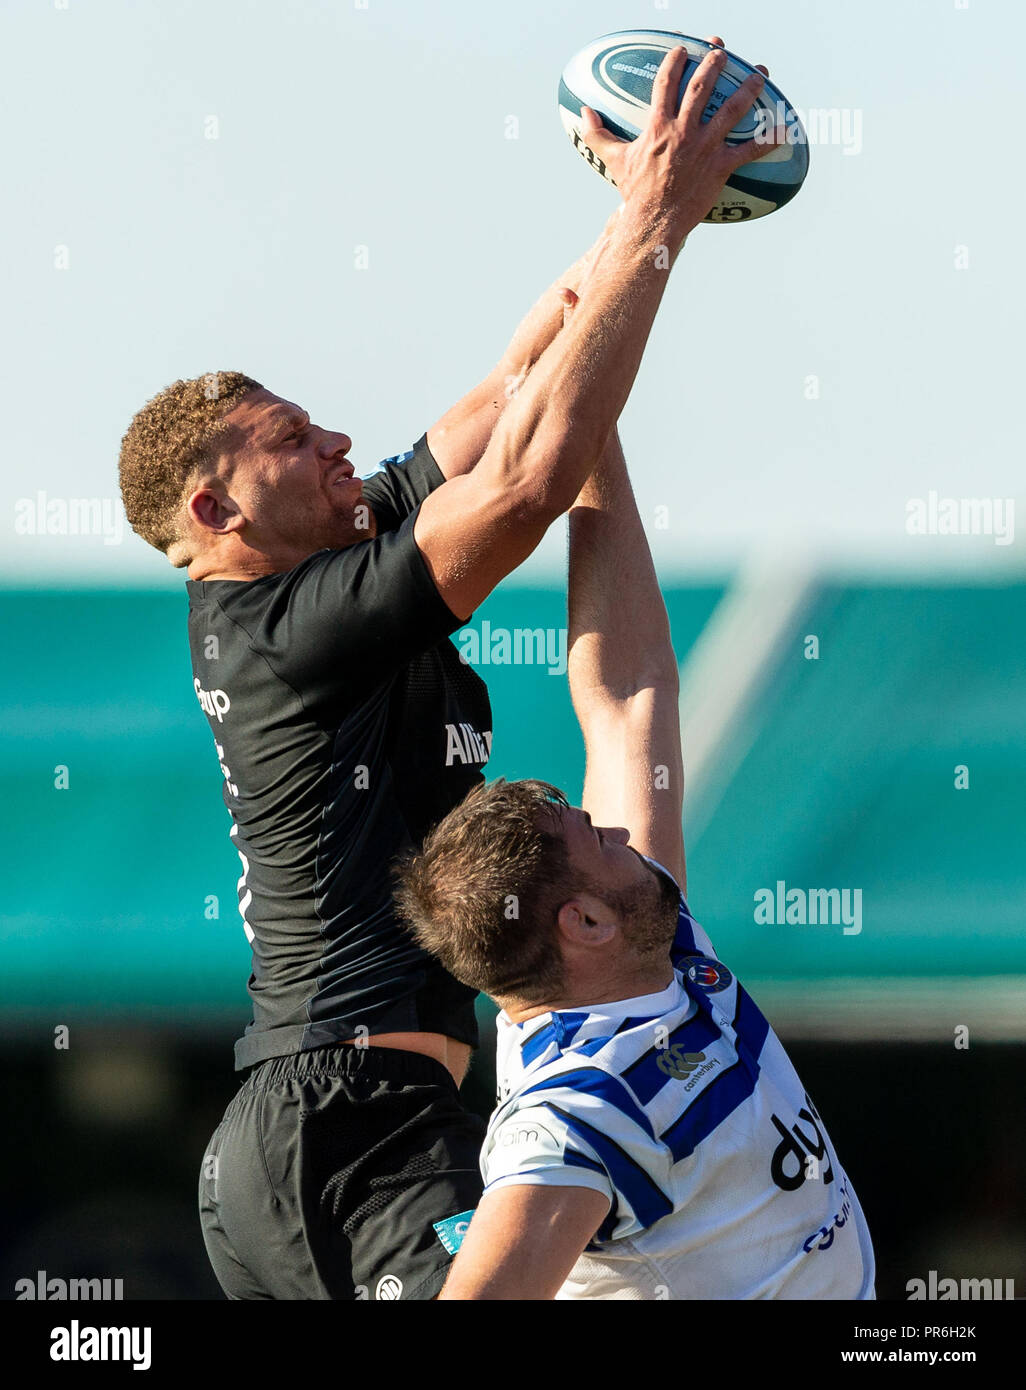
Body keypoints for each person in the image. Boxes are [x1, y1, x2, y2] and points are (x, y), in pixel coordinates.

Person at [116, 41, 775, 1299]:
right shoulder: (284, 625)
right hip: (347, 1120)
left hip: (319, 1121)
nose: (340, 443)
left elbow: (522, 380)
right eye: (295, 442)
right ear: (215, 508)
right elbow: (525, 484)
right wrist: (658, 218)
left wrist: (640, 199)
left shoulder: (324, 560)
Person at [393, 418, 876, 1299]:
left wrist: (590, 425)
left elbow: (627, 692)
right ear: (583, 922)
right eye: (596, 838)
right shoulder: (573, 1112)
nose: (619, 833)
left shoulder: (648, 944)